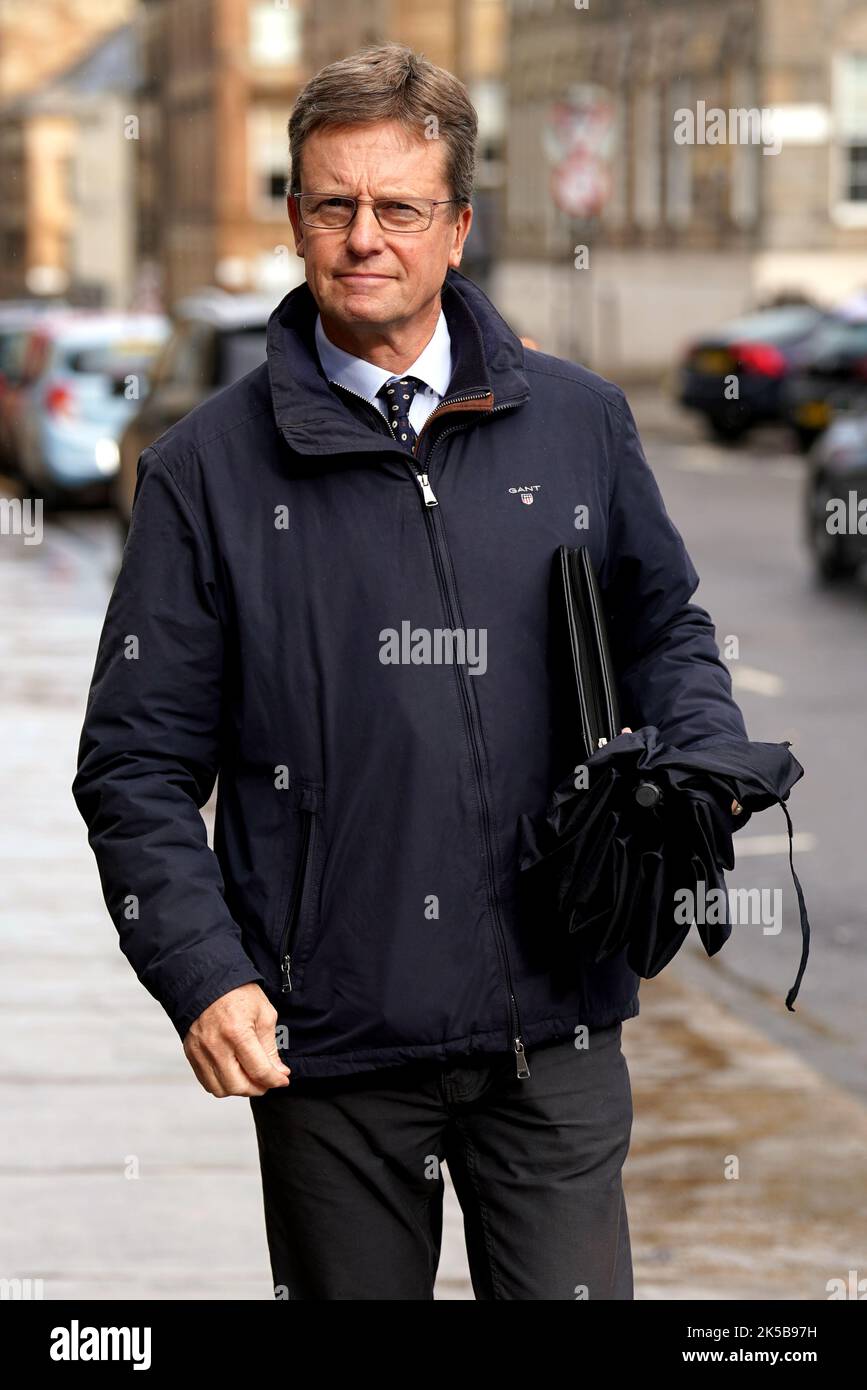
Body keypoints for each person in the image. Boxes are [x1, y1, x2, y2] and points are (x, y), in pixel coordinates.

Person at [72, 42, 749, 1301]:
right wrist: (203, 971)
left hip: (556, 1020)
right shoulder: (203, 476)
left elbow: (667, 627)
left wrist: (699, 757)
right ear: (293, 219)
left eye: (399, 207)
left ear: (458, 228)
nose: (363, 236)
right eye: (333, 204)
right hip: (328, 1047)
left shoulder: (580, 419)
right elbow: (133, 765)